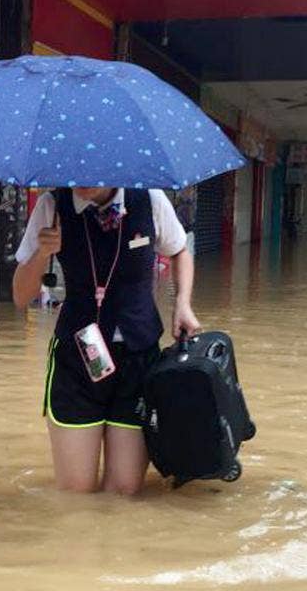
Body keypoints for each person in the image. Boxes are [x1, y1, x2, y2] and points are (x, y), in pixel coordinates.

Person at [12, 186, 200, 496]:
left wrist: (182, 304)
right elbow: (20, 296)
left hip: (138, 357)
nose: (81, 180)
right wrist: (42, 253)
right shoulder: (52, 205)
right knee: (76, 491)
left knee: (124, 491)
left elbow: (179, 250)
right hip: (77, 360)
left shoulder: (149, 199)